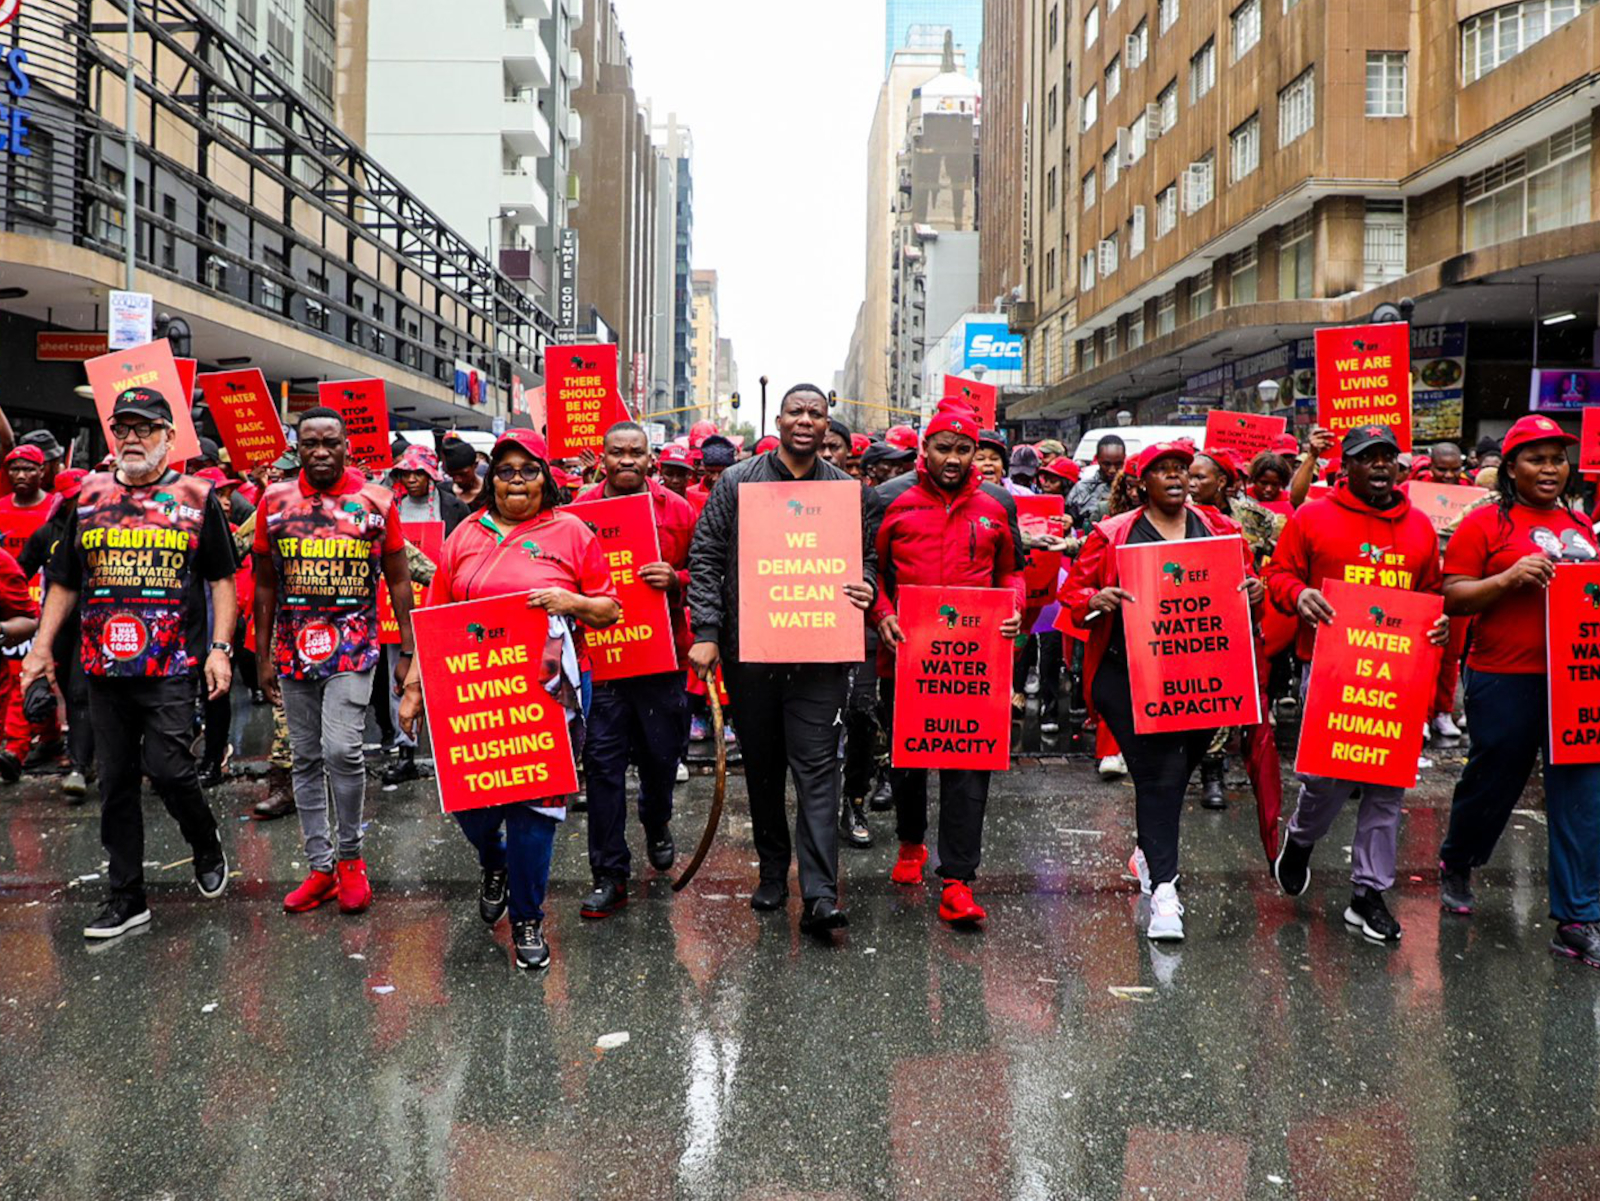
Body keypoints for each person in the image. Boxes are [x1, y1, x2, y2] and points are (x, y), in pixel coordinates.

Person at [399, 429, 620, 970]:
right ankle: (494, 861)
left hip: (549, 693)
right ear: (490, 477)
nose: (516, 480)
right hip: (473, 692)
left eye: (528, 470)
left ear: (545, 477)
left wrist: (571, 600)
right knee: (470, 800)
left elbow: (610, 608)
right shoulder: (465, 534)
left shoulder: (572, 532)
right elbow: (433, 619)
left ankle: (527, 917)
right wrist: (413, 690)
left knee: (535, 808)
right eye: (505, 470)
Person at [22, 386, 237, 940]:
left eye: (145, 428)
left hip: (170, 666)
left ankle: (204, 842)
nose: (133, 438)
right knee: (115, 784)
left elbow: (221, 579)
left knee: (169, 771)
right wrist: (42, 648)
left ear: (169, 437)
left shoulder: (196, 495)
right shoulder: (87, 497)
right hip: (102, 670)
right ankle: (126, 897)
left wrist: (219, 649)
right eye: (124, 428)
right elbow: (65, 581)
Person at [686, 384, 876, 938]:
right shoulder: (737, 481)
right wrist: (706, 632)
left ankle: (819, 894)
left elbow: (865, 560)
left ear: (827, 426)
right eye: (796, 411)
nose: (805, 420)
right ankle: (772, 869)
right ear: (778, 418)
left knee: (819, 769)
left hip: (819, 652)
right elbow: (706, 555)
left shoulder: (847, 491)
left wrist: (865, 585)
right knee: (765, 769)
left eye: (816, 414)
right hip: (752, 653)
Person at [1061, 442, 1262, 941]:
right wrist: (1096, 598)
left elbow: (1248, 587)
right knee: (1160, 775)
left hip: (1200, 679)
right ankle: (1165, 894)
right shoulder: (1111, 534)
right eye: (1165, 471)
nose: (1177, 479)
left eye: (1184, 471)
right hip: (1127, 678)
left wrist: (1255, 589)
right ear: (1140, 483)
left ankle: (1149, 850)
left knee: (1179, 769)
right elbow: (1072, 597)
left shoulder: (1221, 529)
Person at [1263, 424, 1448, 943]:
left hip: (1394, 674)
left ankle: (1369, 894)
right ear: (1347, 467)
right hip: (1326, 670)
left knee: (1387, 789)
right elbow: (1278, 575)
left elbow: (1432, 592)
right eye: (1370, 458)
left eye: (1389, 456)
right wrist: (1298, 595)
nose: (1383, 466)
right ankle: (1300, 839)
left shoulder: (1419, 528)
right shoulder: (1311, 517)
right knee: (1327, 782)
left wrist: (1441, 623)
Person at [1434, 416, 1600, 964]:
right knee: (1494, 780)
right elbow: (1453, 597)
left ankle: (1577, 916)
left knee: (1580, 795)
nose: (1550, 468)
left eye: (1557, 458)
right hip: (1504, 676)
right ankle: (1459, 859)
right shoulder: (1482, 524)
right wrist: (1507, 580)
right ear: (1510, 468)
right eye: (1536, 458)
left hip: (1576, 681)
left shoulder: (1581, 525)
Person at [254, 408, 415, 915]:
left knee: (342, 750)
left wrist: (408, 648)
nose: (320, 452)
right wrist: (260, 655)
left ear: (348, 446)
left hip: (354, 647)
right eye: (309, 443)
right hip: (292, 648)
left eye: (330, 442)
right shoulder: (274, 501)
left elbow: (399, 577)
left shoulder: (377, 500)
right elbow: (264, 583)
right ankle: (319, 867)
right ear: (296, 449)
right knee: (303, 757)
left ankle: (350, 860)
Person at [873, 406, 1025, 923]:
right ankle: (911, 843)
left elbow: (1011, 573)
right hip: (906, 656)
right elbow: (870, 574)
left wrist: (1015, 609)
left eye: (963, 449)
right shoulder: (889, 500)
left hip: (974, 662)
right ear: (925, 450)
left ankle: (958, 880)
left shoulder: (997, 504)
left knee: (969, 767)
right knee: (908, 762)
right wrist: (884, 616)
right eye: (944, 448)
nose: (954, 458)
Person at [572, 421, 696, 917]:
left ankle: (657, 819)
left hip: (662, 658)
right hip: (602, 660)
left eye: (636, 453)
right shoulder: (579, 510)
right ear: (602, 459)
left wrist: (676, 577)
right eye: (617, 453)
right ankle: (609, 873)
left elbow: (706, 571)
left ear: (652, 459)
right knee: (602, 766)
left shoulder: (680, 510)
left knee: (662, 758)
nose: (626, 461)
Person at [392, 445, 470, 530]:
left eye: (419, 473)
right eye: (405, 474)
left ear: (430, 476)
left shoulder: (455, 507)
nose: (411, 480)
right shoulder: (392, 507)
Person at [1066, 435, 1126, 529]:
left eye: (1118, 464)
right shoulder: (1082, 488)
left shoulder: (1131, 489)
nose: (1112, 470)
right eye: (1107, 464)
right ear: (1097, 459)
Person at [1247, 452, 1296, 518]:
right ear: (1254, 479)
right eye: (1263, 483)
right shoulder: (1243, 498)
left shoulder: (1289, 500)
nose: (1268, 489)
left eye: (1275, 484)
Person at [442, 437, 486, 509]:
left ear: (475, 465)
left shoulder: (490, 493)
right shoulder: (443, 492)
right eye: (452, 475)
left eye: (463, 474)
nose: (457, 480)